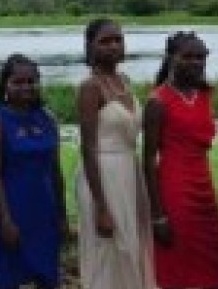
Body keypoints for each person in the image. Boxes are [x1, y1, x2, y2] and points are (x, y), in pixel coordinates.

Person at [142, 32, 218, 289]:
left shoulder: (205, 94)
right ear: (171, 58)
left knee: (212, 258)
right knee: (178, 263)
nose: (195, 62)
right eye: (187, 56)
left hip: (203, 183)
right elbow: (148, 160)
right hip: (175, 188)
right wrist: (158, 216)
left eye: (201, 57)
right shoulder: (158, 101)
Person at [75, 17, 155, 289]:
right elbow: (87, 147)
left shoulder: (124, 81)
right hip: (102, 174)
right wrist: (101, 207)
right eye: (105, 41)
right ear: (90, 46)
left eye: (118, 40)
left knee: (132, 246)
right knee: (108, 251)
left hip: (128, 172)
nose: (113, 46)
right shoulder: (90, 88)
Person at [0, 55, 67, 289]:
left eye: (31, 81)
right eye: (18, 82)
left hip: (44, 209)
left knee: (48, 276)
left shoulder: (47, 118)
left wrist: (61, 214)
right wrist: (5, 219)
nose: (25, 87)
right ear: (5, 85)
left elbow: (55, 169)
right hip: (13, 208)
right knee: (7, 276)